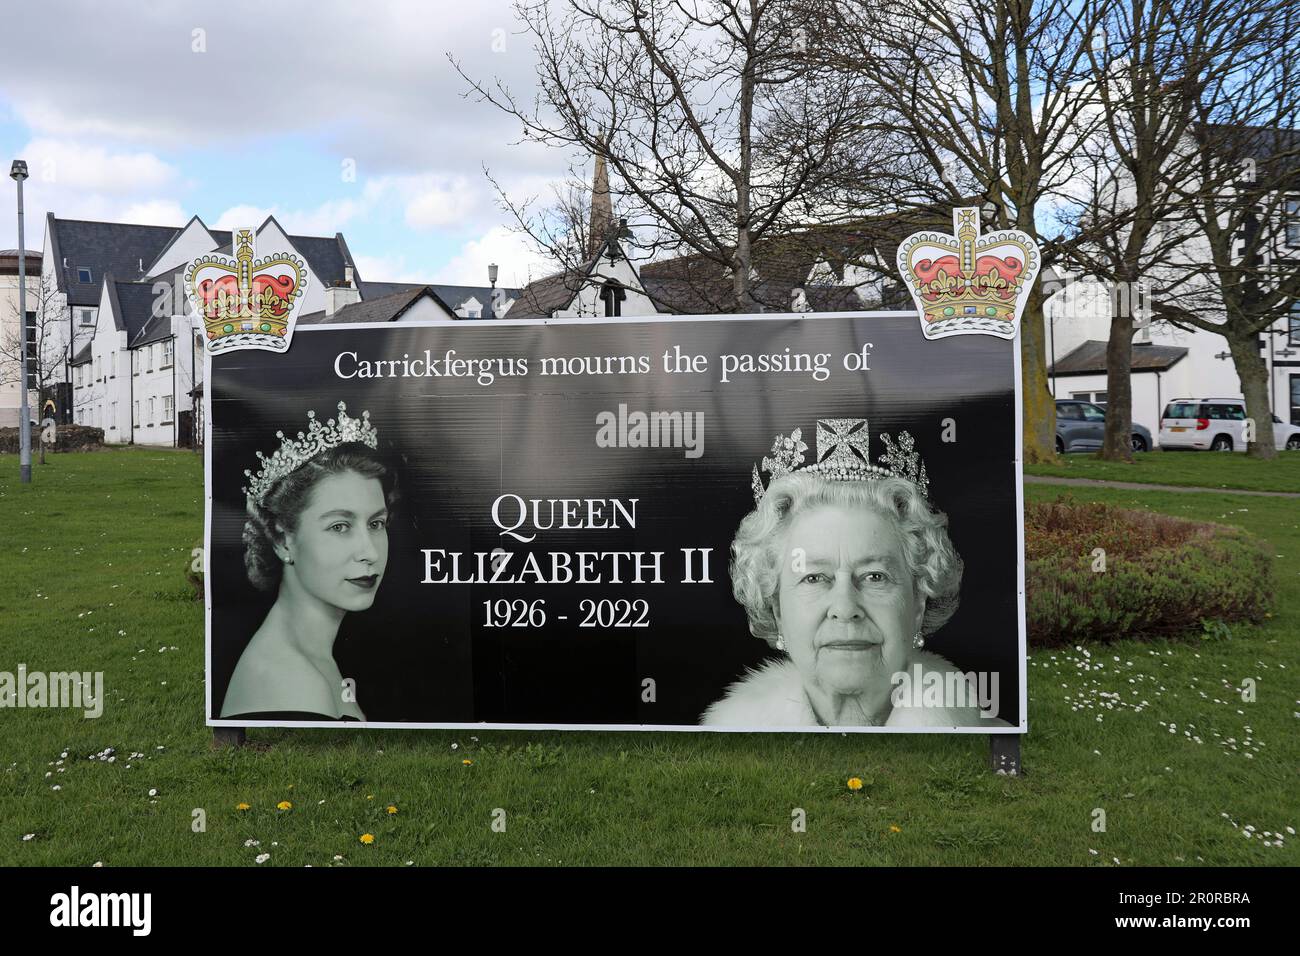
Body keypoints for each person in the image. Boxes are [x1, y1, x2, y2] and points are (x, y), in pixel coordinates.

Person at [703, 420, 1003, 727]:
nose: (845, 609)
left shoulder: (978, 739)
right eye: (814, 578)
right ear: (777, 610)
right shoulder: (729, 746)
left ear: (918, 604)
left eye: (875, 576)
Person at [220, 402, 395, 721]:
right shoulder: (295, 682)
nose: (369, 552)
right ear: (283, 539)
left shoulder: (311, 654)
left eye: (376, 524)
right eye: (339, 526)